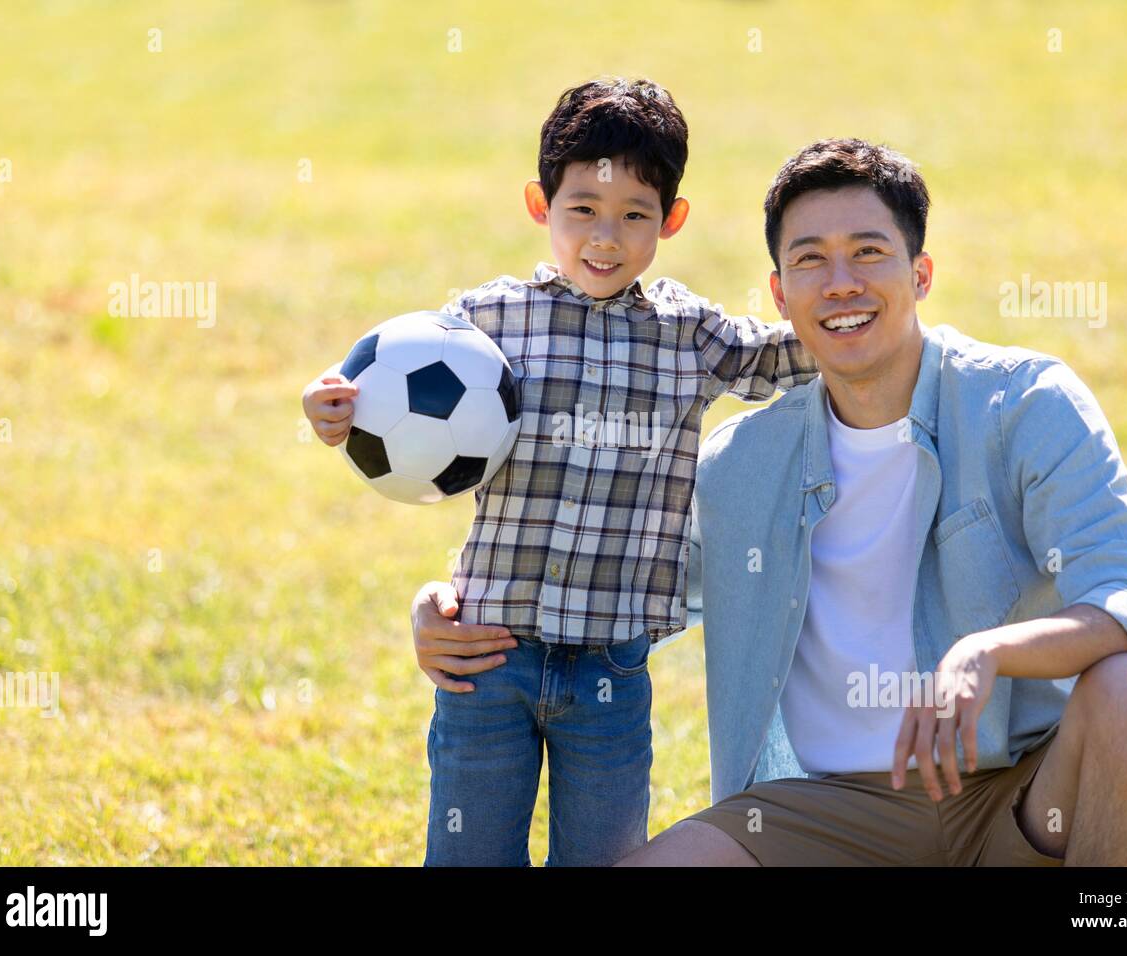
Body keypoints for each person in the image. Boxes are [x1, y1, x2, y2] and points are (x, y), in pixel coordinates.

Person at [612, 138, 1127, 865]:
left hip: (1020, 799)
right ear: (780, 293)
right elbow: (624, 597)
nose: (841, 283)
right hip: (823, 815)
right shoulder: (740, 466)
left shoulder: (1026, 403)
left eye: (869, 252)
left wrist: (988, 652)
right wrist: (456, 606)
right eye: (811, 259)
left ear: (920, 275)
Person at [301, 78, 818, 866]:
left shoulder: (689, 334)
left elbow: (790, 355)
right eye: (583, 210)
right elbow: (376, 387)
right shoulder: (485, 322)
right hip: (487, 656)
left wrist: (864, 315)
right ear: (540, 205)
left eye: (634, 216)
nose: (605, 238)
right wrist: (329, 406)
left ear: (671, 220)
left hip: (612, 673)